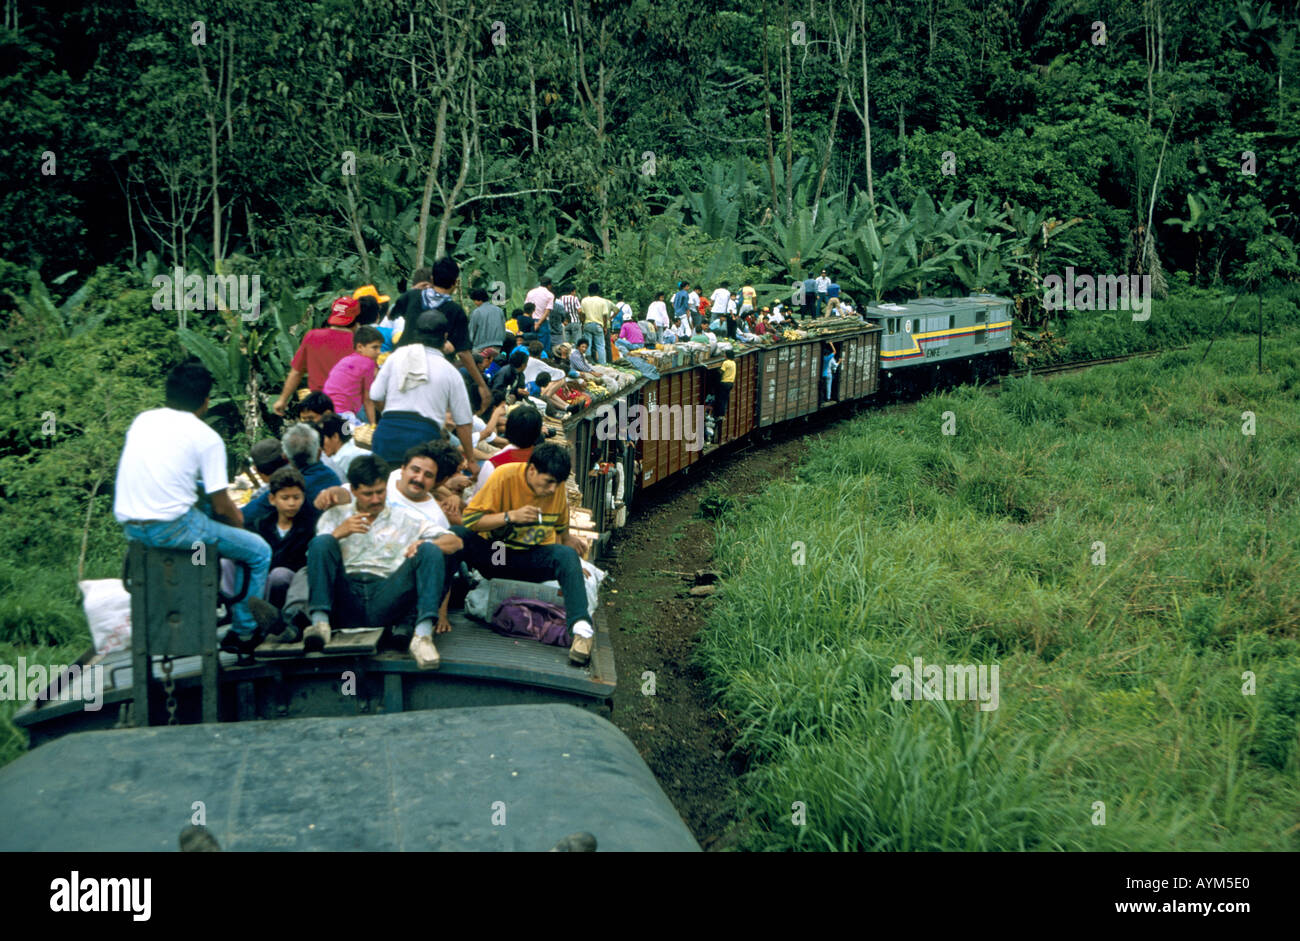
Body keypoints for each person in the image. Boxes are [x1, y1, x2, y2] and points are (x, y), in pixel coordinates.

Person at [115, 361, 271, 656]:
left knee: (211, 525)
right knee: (258, 551)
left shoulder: (143, 421)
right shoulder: (206, 438)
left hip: (133, 529)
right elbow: (222, 504)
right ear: (205, 401)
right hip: (175, 528)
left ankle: (216, 609)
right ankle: (245, 630)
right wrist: (240, 522)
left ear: (168, 394)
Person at [307, 455, 462, 670]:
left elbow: (456, 542)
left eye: (380, 492)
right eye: (367, 494)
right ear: (353, 491)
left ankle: (423, 636)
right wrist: (337, 534)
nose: (375, 499)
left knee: (430, 548)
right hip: (346, 597)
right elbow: (318, 557)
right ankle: (319, 624)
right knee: (322, 541)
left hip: (387, 595)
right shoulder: (334, 517)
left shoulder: (406, 516)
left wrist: (426, 544)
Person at [454, 443, 595, 665]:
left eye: (556, 484)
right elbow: (470, 521)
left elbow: (561, 525)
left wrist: (571, 556)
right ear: (531, 470)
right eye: (548, 482)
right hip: (498, 555)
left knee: (566, 556)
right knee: (457, 535)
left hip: (530, 558)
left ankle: (582, 631)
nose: (552, 489)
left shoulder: (555, 489)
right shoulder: (505, 477)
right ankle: (429, 615)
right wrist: (510, 516)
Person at [370, 310, 478, 471]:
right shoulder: (450, 372)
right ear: (445, 337)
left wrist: (392, 415)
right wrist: (471, 460)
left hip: (386, 434)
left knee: (383, 491)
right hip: (423, 439)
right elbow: (463, 423)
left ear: (415, 333)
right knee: (417, 490)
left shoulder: (396, 356)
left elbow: (375, 396)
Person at [418, 257, 491, 410]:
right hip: (439, 373)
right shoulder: (455, 311)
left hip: (410, 367)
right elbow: (464, 353)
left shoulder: (414, 301)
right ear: (456, 282)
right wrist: (481, 385)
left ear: (432, 279)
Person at [244, 466, 315, 611]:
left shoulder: (309, 528)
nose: (291, 503)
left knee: (279, 575)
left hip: (293, 586)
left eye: (296, 497)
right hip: (262, 582)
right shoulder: (261, 525)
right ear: (272, 499)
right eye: (285, 498)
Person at [273, 298, 360, 415]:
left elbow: (296, 372)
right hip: (347, 407)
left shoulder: (312, 337)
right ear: (356, 319)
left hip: (317, 408)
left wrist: (282, 400)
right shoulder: (360, 344)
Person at [472, 404, 543, 496]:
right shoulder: (545, 463)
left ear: (508, 429)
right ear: (538, 433)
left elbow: (478, 502)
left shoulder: (493, 464)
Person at [322, 325, 382, 427]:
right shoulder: (368, 363)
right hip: (344, 414)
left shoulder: (347, 359)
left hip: (326, 411)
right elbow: (368, 399)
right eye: (374, 347)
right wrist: (372, 425)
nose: (379, 352)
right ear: (359, 347)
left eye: (379, 347)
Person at [381, 267, 433, 350]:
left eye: (431, 289)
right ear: (413, 288)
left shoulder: (436, 309)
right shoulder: (398, 307)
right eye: (423, 287)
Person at [316, 412, 366, 480]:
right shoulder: (355, 451)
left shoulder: (343, 459)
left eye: (321, 439)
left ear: (335, 437)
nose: (319, 445)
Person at [468, 287, 507, 365]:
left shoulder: (477, 312)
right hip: (496, 347)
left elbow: (471, 332)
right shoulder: (499, 310)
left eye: (474, 300)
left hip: (479, 348)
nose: (475, 303)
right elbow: (503, 330)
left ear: (478, 300)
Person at [580, 282, 612, 364]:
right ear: (598, 291)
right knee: (600, 345)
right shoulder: (602, 301)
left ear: (588, 291)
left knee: (588, 344)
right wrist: (605, 327)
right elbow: (604, 315)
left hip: (587, 324)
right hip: (598, 325)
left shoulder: (584, 300)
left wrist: (583, 324)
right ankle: (602, 363)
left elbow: (582, 314)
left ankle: (588, 362)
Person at [524, 278, 556, 353]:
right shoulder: (550, 295)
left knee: (530, 344)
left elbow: (526, 307)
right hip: (542, 322)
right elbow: (547, 311)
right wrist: (538, 323)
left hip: (530, 320)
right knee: (543, 346)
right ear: (549, 285)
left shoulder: (531, 292)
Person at [716, 350, 736, 418]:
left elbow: (721, 372)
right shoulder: (733, 363)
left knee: (720, 399)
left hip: (724, 382)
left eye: (725, 354)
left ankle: (720, 414)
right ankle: (723, 414)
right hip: (730, 383)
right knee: (725, 399)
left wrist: (716, 371)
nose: (724, 355)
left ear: (727, 355)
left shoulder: (725, 362)